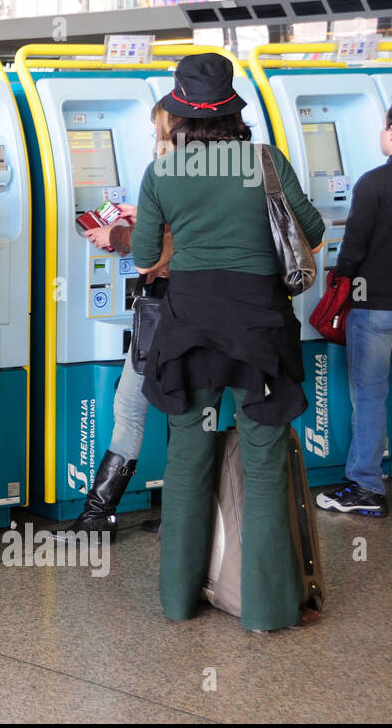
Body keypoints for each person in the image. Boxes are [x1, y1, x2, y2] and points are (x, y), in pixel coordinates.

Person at [131, 53, 325, 632]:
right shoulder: (264, 161)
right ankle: (267, 612)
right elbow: (310, 232)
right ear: (232, 105)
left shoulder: (162, 173)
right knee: (264, 467)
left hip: (189, 334)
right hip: (259, 330)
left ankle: (178, 601)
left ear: (180, 110)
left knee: (187, 462)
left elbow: (144, 258)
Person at [65, 102, 176, 535]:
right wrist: (140, 219)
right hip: (202, 310)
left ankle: (98, 516)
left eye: (156, 131)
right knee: (187, 413)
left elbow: (160, 251)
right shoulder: (214, 173)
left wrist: (115, 235)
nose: (152, 140)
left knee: (130, 406)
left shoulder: (170, 174)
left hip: (166, 310)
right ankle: (180, 516)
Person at [320, 91, 392, 517]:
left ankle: (367, 488)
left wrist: (335, 278)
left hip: (374, 303)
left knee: (370, 395)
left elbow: (352, 251)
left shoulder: (374, 182)